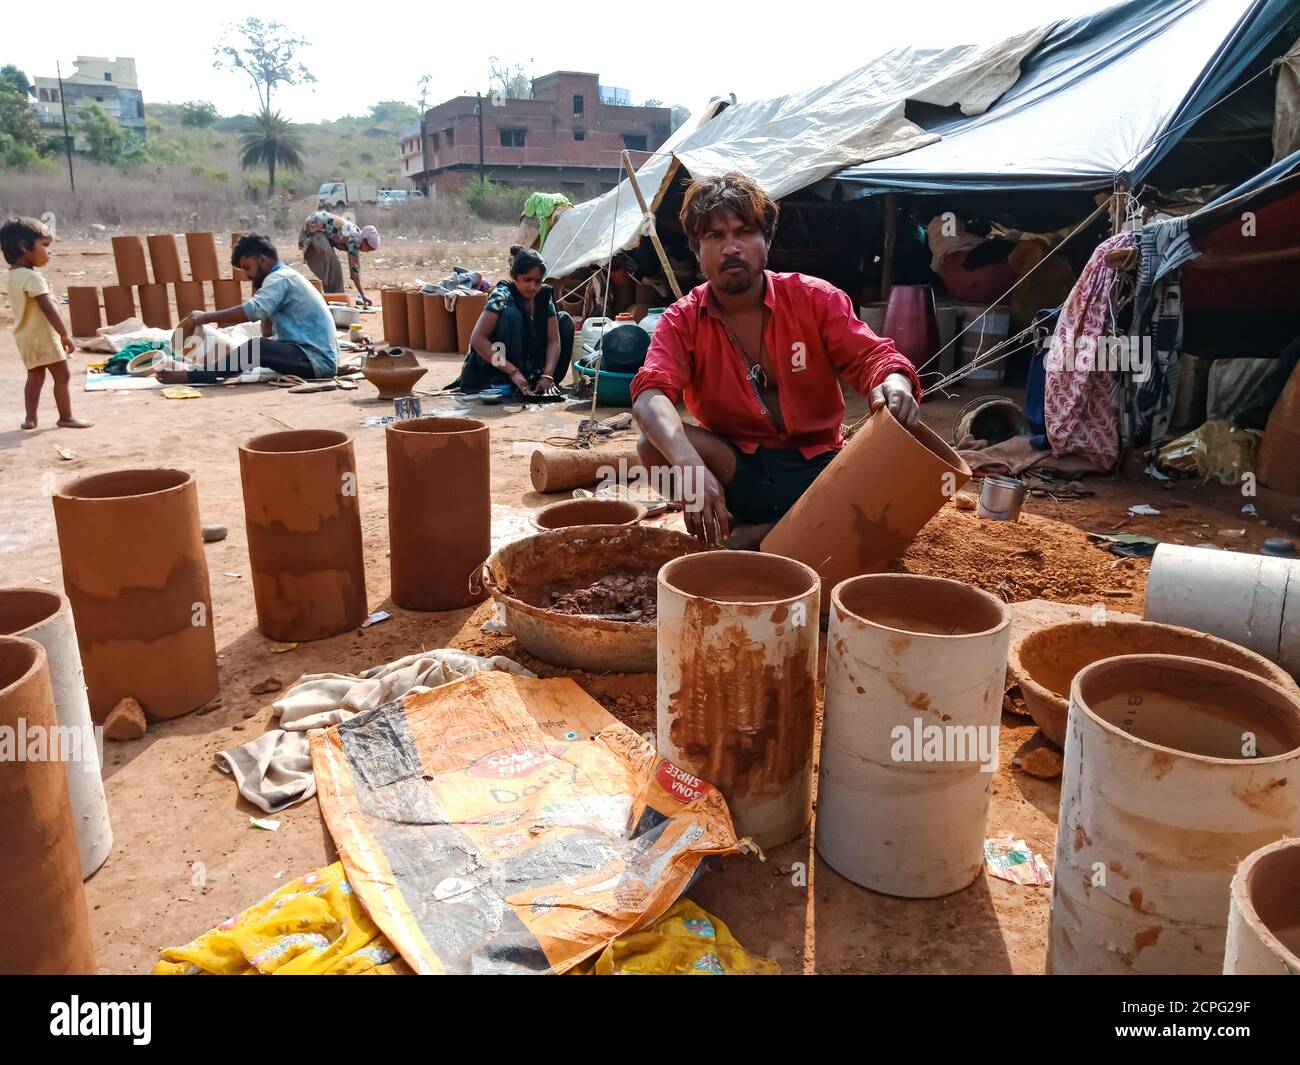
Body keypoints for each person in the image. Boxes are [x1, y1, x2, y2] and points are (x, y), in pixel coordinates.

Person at [632, 172, 921, 547]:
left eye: (744, 232)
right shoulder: (682, 319)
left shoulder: (815, 298)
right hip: (739, 468)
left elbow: (874, 357)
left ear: (767, 239)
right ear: (697, 248)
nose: (730, 248)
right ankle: (776, 530)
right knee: (650, 445)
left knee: (896, 479)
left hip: (821, 466)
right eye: (714, 236)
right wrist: (690, 465)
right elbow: (650, 393)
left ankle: (756, 538)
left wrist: (894, 382)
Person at [158, 233, 339, 384]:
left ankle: (193, 376)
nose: (247, 275)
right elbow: (267, 331)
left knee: (256, 347)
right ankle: (212, 371)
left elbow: (254, 311)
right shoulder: (281, 278)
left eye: (248, 267)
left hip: (315, 360)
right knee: (259, 346)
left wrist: (206, 318)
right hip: (312, 357)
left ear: (262, 259)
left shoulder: (279, 279)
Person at [1, 216, 92, 430]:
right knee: (63, 375)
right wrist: (64, 334)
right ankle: (66, 417)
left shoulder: (14, 276)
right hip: (44, 337)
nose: (49, 251)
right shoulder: (33, 279)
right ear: (24, 247)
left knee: (35, 376)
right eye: (44, 245)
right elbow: (48, 308)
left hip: (25, 337)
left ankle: (30, 417)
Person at [452, 245, 574, 396]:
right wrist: (513, 371)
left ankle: (541, 381)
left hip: (533, 367)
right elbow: (478, 339)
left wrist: (548, 375)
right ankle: (508, 380)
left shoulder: (544, 295)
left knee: (565, 321)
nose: (533, 286)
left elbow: (553, 340)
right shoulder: (502, 294)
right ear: (515, 277)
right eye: (527, 280)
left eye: (538, 281)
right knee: (512, 316)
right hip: (500, 369)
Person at [298, 210, 379, 304]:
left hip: (320, 226)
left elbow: (356, 268)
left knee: (332, 268)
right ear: (365, 240)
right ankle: (335, 301)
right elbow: (354, 274)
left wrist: (362, 294)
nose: (368, 251)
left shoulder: (357, 235)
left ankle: (332, 299)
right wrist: (363, 295)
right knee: (334, 267)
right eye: (369, 248)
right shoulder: (354, 239)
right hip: (314, 226)